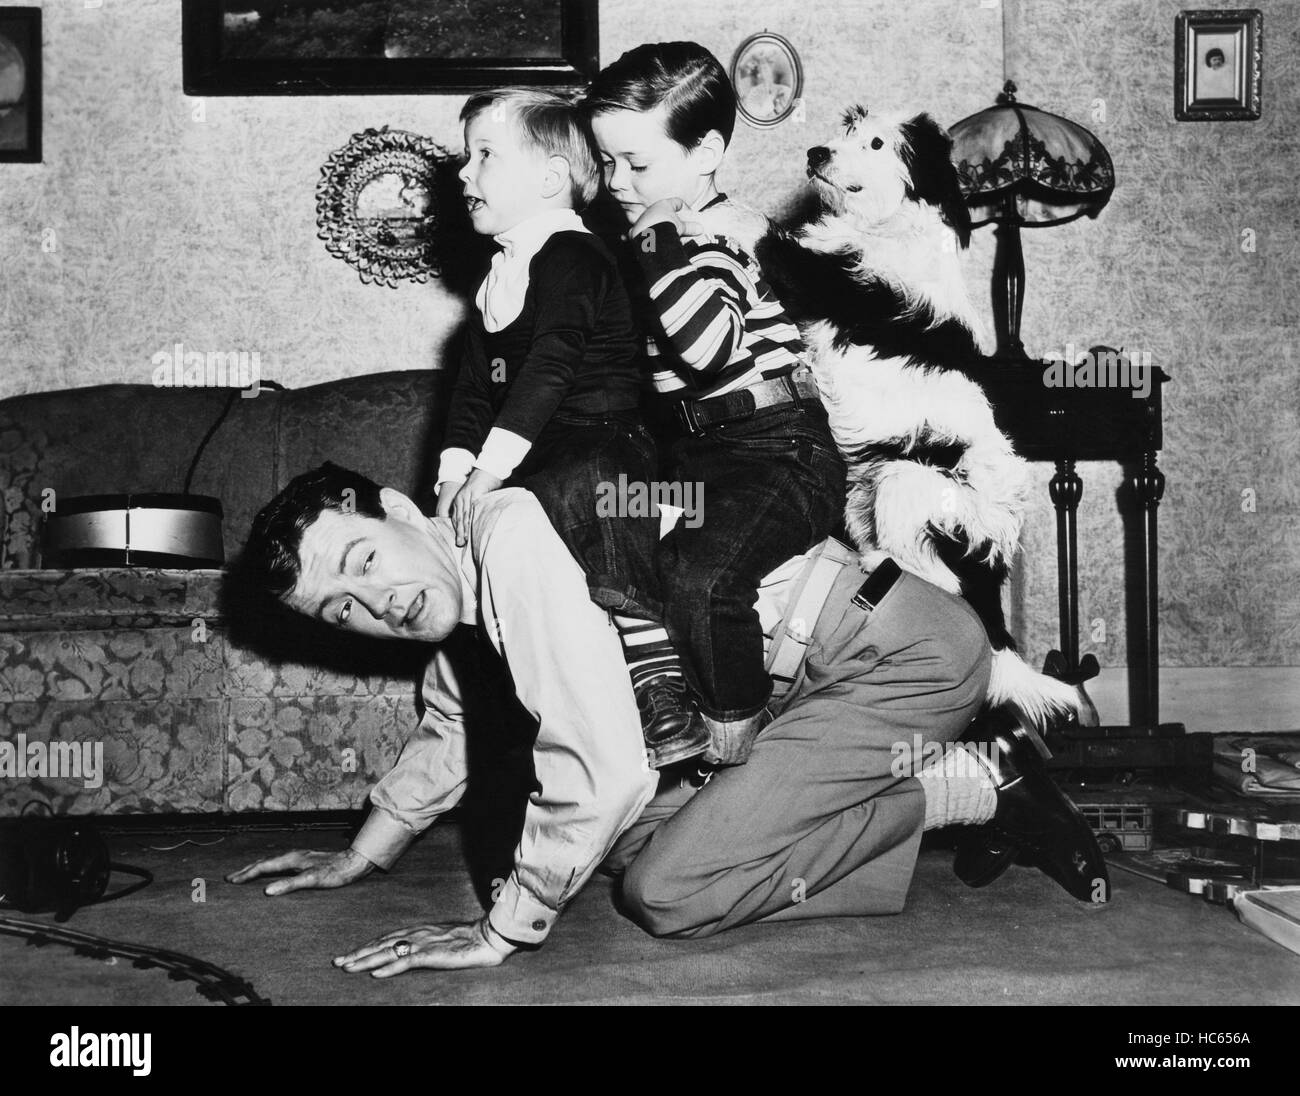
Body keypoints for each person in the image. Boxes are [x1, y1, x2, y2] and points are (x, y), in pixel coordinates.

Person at [227, 463, 1108, 975]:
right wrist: (365, 850)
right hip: (799, 686)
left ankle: (978, 786)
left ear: (401, 509)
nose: (378, 602)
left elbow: (605, 765)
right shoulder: (464, 583)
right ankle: (954, 780)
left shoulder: (506, 533)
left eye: (362, 562)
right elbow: (455, 720)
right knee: (619, 847)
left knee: (667, 890)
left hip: (897, 657)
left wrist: (504, 927)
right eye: (342, 610)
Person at [583, 42, 848, 767]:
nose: (617, 183)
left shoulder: (716, 235)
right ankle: (661, 690)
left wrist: (660, 237)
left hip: (780, 452)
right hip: (702, 457)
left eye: (637, 165)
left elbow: (708, 352)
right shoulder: (651, 242)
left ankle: (737, 751)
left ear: (705, 152)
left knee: (704, 577)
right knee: (610, 516)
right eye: (607, 163)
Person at [435, 87, 708, 768]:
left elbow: (549, 370)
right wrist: (453, 475)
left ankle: (659, 677)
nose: (463, 173)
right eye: (467, 157)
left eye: (484, 155)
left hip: (604, 439)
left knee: (595, 489)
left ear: (552, 178)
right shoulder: (495, 278)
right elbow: (474, 391)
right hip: (538, 452)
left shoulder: (574, 256)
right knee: (492, 535)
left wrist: (490, 468)